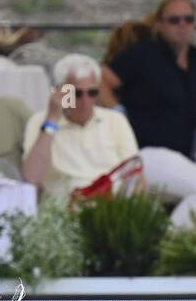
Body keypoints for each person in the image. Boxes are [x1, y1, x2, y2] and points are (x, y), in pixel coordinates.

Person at [103, 0, 196, 159]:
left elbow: (188, 105)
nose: (182, 25)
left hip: (184, 154)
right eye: (174, 20)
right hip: (144, 153)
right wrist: (118, 112)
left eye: (188, 19)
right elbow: (100, 79)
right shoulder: (143, 54)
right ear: (159, 24)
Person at [23, 53, 140, 202]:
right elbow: (32, 178)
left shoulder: (115, 120)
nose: (85, 101)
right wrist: (52, 120)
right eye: (76, 93)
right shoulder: (40, 121)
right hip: (64, 210)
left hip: (109, 208)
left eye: (92, 92)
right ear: (60, 92)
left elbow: (135, 174)